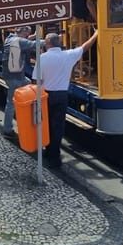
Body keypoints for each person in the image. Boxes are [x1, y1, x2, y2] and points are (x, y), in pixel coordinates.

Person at [38, 29, 98, 168]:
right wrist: (95, 35)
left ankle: (48, 151)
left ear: (47, 44)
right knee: (58, 126)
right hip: (61, 95)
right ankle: (55, 156)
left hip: (46, 95)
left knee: (46, 124)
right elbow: (84, 47)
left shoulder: (42, 58)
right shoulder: (68, 55)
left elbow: (36, 81)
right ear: (59, 43)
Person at [1, 26, 42, 138]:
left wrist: (32, 36)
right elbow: (33, 44)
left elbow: (25, 41)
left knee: (29, 84)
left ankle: (27, 112)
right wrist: (50, 41)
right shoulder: (19, 41)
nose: (27, 36)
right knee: (11, 103)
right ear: (22, 32)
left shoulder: (9, 39)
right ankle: (8, 130)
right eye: (27, 34)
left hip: (9, 75)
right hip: (15, 77)